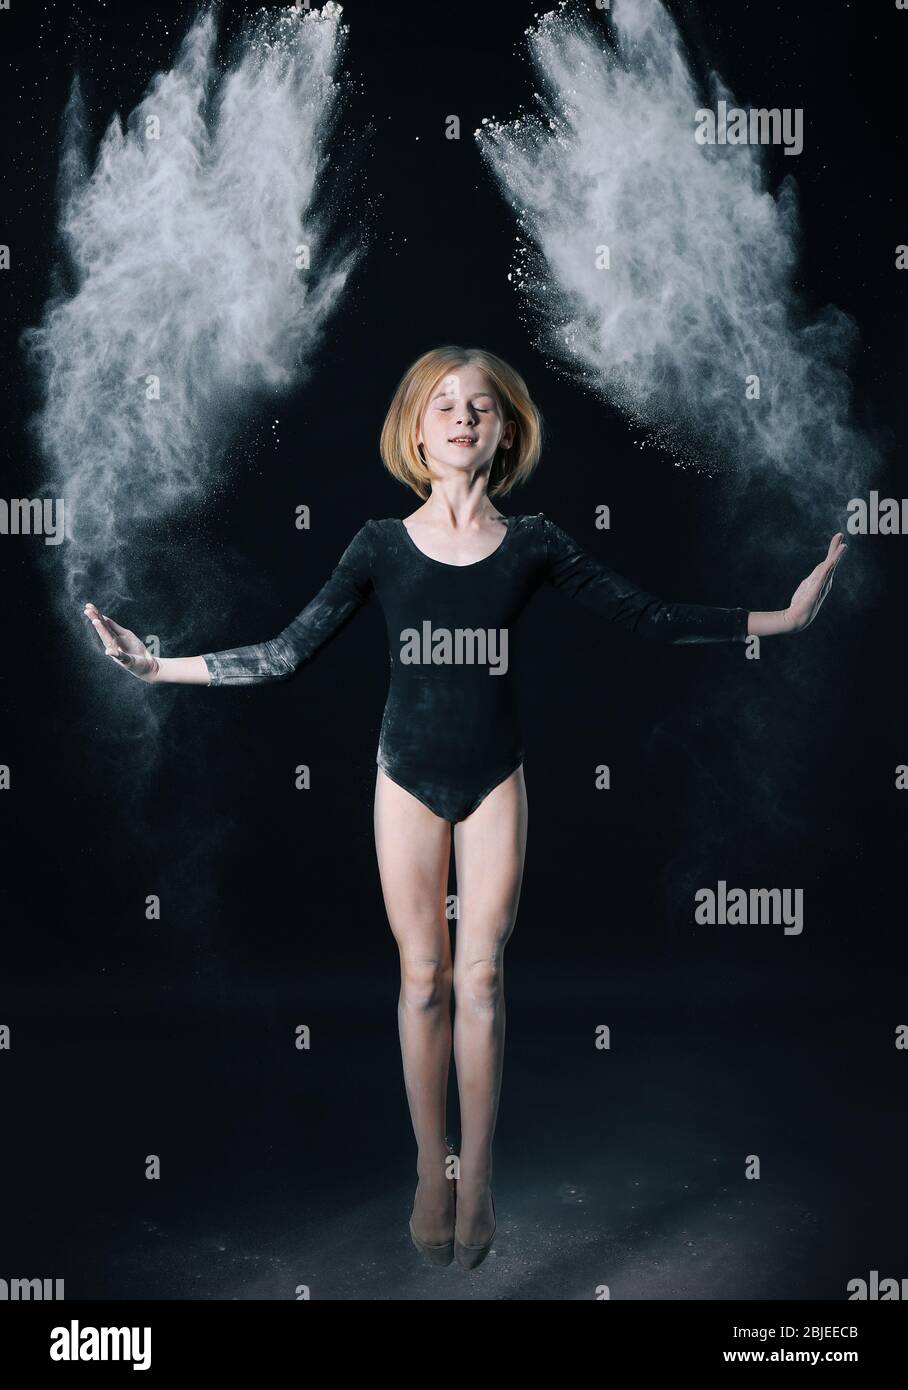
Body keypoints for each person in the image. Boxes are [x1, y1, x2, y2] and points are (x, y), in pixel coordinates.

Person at [84, 345, 846, 1271]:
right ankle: (426, 1170)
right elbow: (287, 653)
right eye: (443, 405)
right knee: (422, 980)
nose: (462, 418)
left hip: (494, 778)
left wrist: (779, 619)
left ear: (505, 432)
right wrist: (155, 664)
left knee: (481, 979)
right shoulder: (376, 544)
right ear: (415, 429)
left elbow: (644, 616)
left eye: (481, 407)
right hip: (404, 775)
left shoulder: (535, 542)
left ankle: (476, 1173)